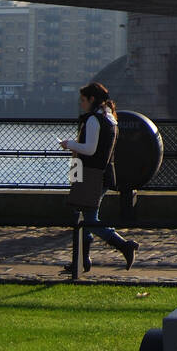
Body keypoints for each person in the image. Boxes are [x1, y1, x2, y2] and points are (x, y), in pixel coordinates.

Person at [60, 82, 138, 271]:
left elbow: (90, 149)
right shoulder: (110, 118)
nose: (82, 104)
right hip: (102, 173)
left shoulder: (94, 120)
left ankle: (123, 245)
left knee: (89, 220)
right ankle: (82, 260)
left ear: (92, 99)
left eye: (84, 100)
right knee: (86, 216)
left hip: (92, 174)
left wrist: (69, 144)